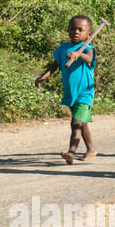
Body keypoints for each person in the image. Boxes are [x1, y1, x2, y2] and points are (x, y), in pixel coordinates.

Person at [34, 15, 98, 163]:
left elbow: (89, 59)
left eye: (80, 30)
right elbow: (54, 65)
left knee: (75, 123)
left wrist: (79, 54)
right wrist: (44, 76)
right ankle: (91, 149)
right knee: (82, 123)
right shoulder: (63, 48)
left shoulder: (89, 49)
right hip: (70, 93)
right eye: (72, 29)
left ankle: (71, 153)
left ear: (89, 34)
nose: (76, 32)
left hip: (85, 92)